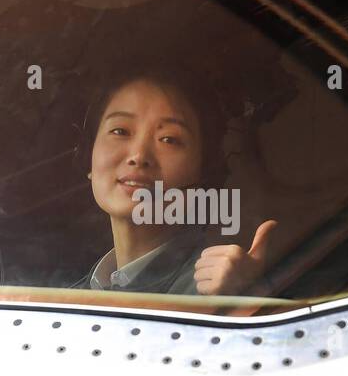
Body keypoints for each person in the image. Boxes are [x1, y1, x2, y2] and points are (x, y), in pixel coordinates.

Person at [78, 72, 277, 296]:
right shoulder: (70, 294)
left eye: (169, 139)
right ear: (88, 156)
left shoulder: (218, 290)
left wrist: (246, 299)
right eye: (120, 131)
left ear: (205, 170)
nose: (139, 155)